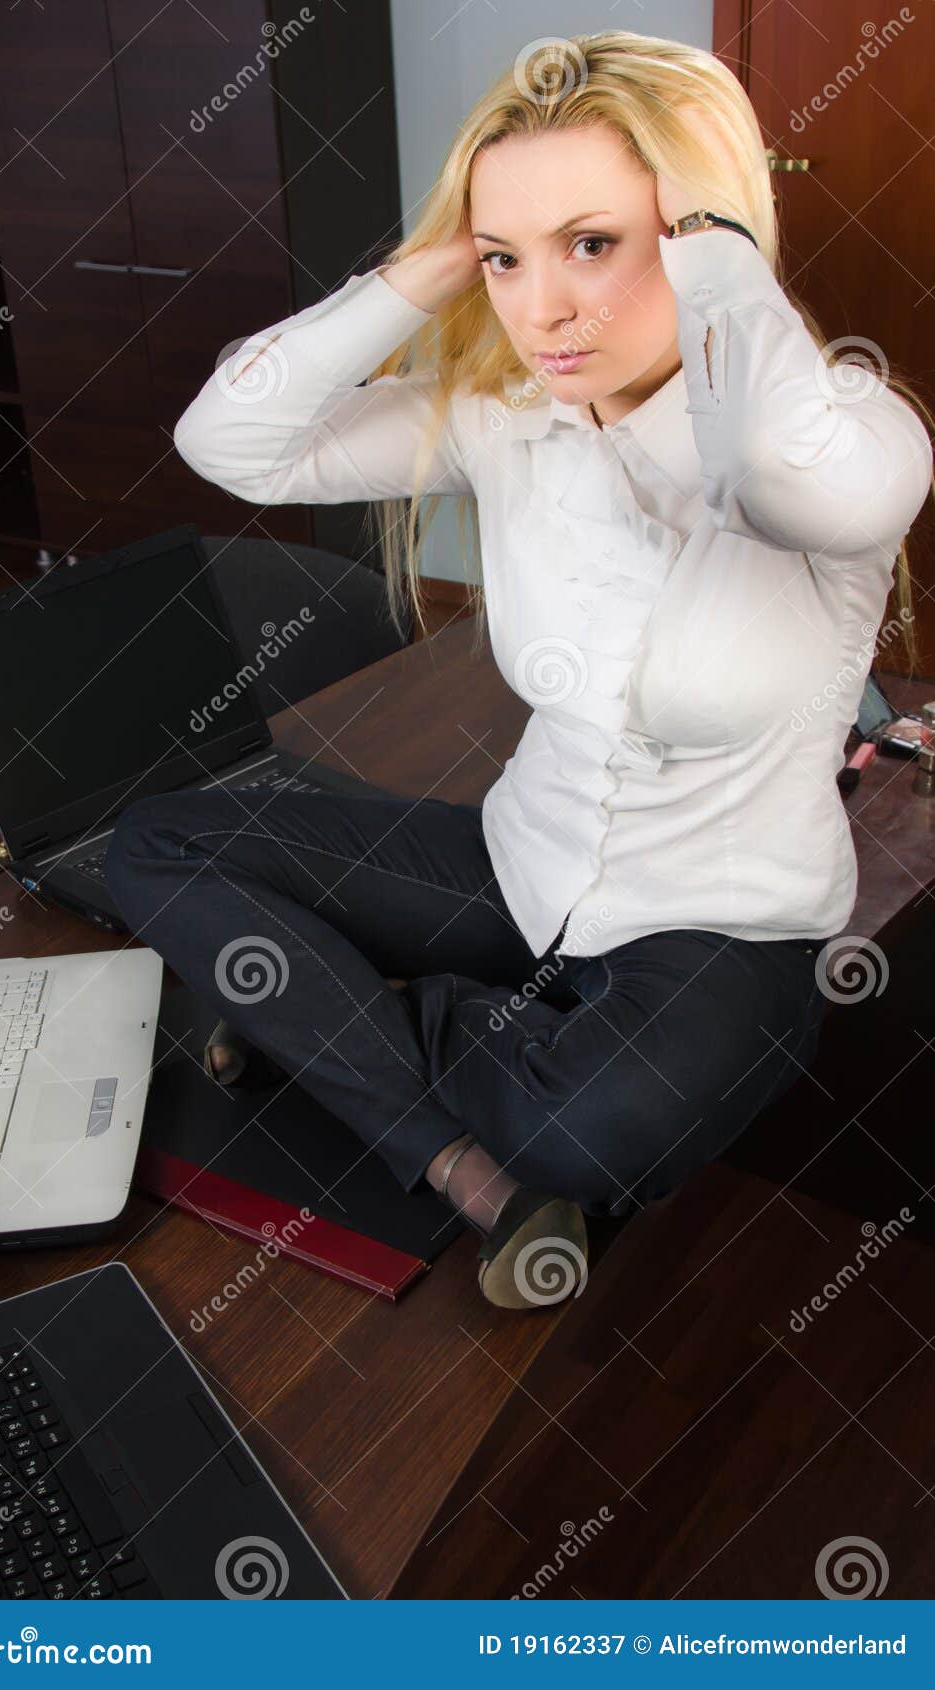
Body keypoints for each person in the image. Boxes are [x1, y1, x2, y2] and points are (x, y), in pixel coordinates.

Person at [103, 30, 933, 1312]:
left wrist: (716, 240)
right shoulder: (506, 422)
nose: (542, 308)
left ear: (695, 227)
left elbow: (765, 469)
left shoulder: (848, 438)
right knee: (154, 844)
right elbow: (231, 441)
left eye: (594, 243)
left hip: (715, 932)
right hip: (515, 869)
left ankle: (339, 1019)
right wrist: (433, 261)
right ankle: (439, 1136)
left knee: (592, 1139)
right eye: (507, 259)